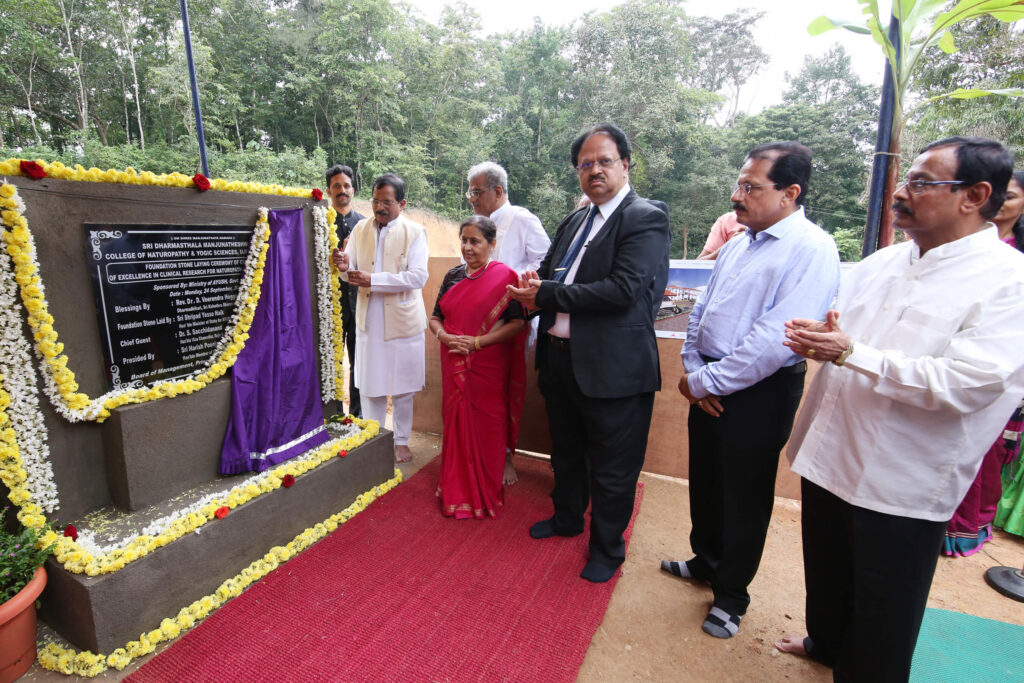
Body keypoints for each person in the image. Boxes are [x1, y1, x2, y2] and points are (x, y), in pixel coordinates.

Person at [776, 137, 1024, 681]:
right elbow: (849, 332)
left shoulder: (1009, 282)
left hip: (901, 476)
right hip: (832, 449)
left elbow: (966, 383)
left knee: (884, 606)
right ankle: (826, 644)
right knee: (829, 570)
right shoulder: (886, 260)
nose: (900, 193)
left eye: (920, 183)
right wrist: (826, 336)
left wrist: (849, 351)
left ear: (975, 195)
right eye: (905, 180)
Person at [662, 141, 840, 639]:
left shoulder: (812, 249)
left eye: (750, 187)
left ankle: (732, 593)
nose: (737, 195)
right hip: (710, 380)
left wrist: (702, 382)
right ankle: (707, 560)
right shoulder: (739, 241)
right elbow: (701, 311)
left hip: (759, 390)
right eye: (739, 184)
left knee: (745, 492)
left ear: (790, 193)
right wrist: (695, 368)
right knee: (708, 479)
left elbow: (773, 338)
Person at [508, 123, 670, 584]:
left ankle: (606, 549)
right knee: (567, 452)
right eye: (585, 164)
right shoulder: (575, 220)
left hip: (614, 369)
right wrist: (529, 287)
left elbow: (623, 291)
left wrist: (547, 294)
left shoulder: (645, 217)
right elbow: (545, 272)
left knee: (613, 468)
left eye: (604, 161)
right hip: (560, 360)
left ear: (626, 164)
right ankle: (566, 518)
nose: (594, 170)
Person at [945, 169, 1024, 555]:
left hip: (1001, 365)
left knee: (984, 448)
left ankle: (965, 526)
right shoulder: (961, 247)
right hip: (952, 361)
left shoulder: (1014, 264)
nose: (1000, 204)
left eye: (1010, 197)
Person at [428, 216, 527, 518]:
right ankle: (455, 487)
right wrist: (444, 336)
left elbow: (517, 323)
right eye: (464, 241)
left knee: (487, 423)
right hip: (453, 359)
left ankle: (485, 484)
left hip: (486, 364)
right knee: (456, 422)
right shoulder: (453, 276)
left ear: (492, 244)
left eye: (475, 241)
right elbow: (435, 317)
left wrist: (478, 343)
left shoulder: (505, 277)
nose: (467, 248)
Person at [331, 173, 428, 463]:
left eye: (387, 202)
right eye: (375, 200)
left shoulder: (415, 232)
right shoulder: (361, 229)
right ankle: (373, 436)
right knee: (371, 384)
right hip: (369, 319)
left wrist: (373, 279)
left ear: (402, 203)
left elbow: (418, 276)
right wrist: (344, 266)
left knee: (402, 388)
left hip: (403, 322)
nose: (379, 207)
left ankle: (400, 441)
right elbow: (349, 271)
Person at [466, 161, 551, 485]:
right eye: (469, 192)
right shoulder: (475, 226)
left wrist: (512, 280)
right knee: (478, 391)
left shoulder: (521, 219)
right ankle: (476, 452)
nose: (471, 198)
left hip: (510, 322)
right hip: (475, 324)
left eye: (476, 192)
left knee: (505, 392)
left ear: (498, 191)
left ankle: (504, 458)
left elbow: (547, 263)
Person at [325, 164, 364, 417]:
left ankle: (359, 415)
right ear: (329, 191)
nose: (342, 190)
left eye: (346, 185)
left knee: (359, 362)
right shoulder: (320, 224)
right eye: (337, 186)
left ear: (353, 189)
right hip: (330, 306)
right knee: (332, 362)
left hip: (360, 303)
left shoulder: (365, 224)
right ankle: (335, 414)